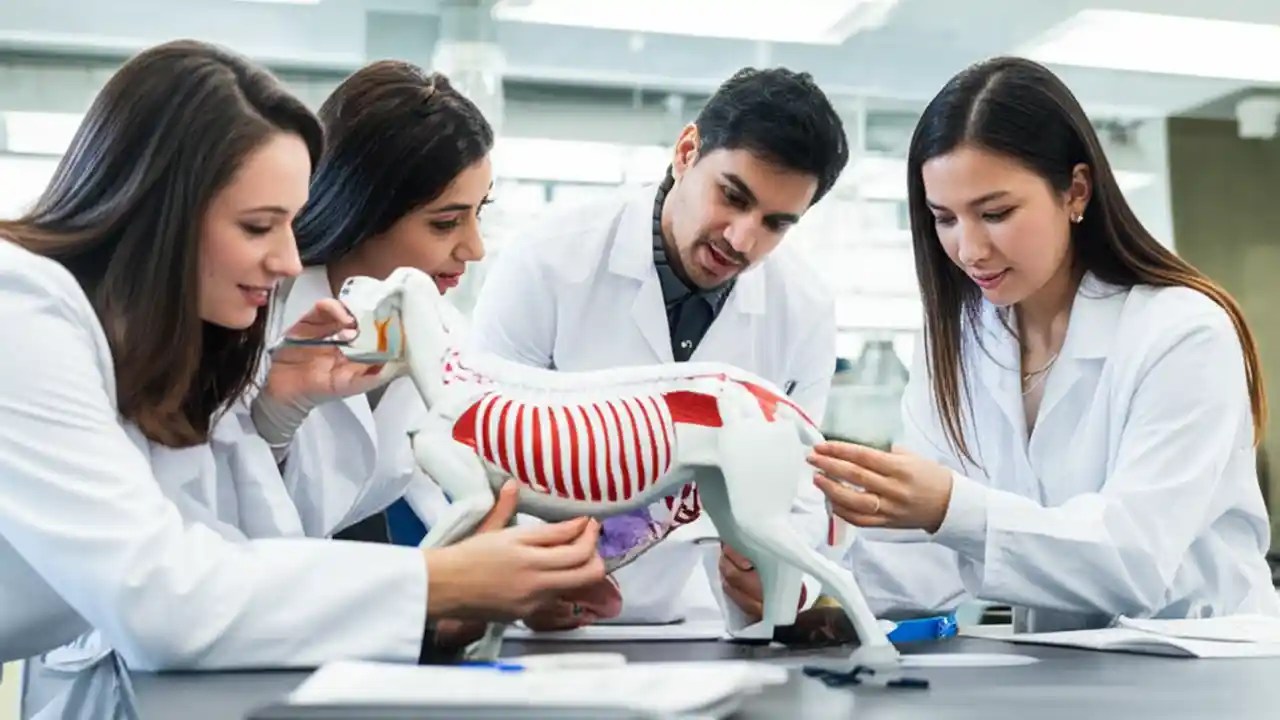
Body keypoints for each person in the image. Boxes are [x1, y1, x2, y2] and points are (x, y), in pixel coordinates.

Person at [0, 40, 605, 717]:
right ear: (159, 208)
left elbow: (228, 554)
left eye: (290, 223)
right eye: (259, 225)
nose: (289, 259)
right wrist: (437, 584)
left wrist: (274, 421)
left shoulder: (164, 335)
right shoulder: (19, 308)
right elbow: (163, 597)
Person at [810, 56, 1280, 633]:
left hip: (1200, 665)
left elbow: (1133, 560)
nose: (969, 249)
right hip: (1061, 666)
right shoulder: (961, 341)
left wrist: (950, 506)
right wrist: (808, 580)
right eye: (945, 219)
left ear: (1075, 190)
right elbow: (933, 560)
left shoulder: (1183, 332)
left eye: (996, 213)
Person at [467, 66, 849, 631]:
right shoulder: (547, 262)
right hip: (539, 612)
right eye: (732, 196)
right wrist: (508, 573)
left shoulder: (804, 310)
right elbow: (476, 444)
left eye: (775, 224)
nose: (742, 239)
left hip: (702, 621)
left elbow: (799, 489)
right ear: (687, 151)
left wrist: (788, 579)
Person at [266, 60, 624, 629]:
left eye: (479, 215)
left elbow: (461, 500)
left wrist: (529, 578)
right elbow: (227, 533)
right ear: (362, 210)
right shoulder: (260, 320)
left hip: (323, 619)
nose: (475, 248)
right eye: (445, 223)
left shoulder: (445, 335)